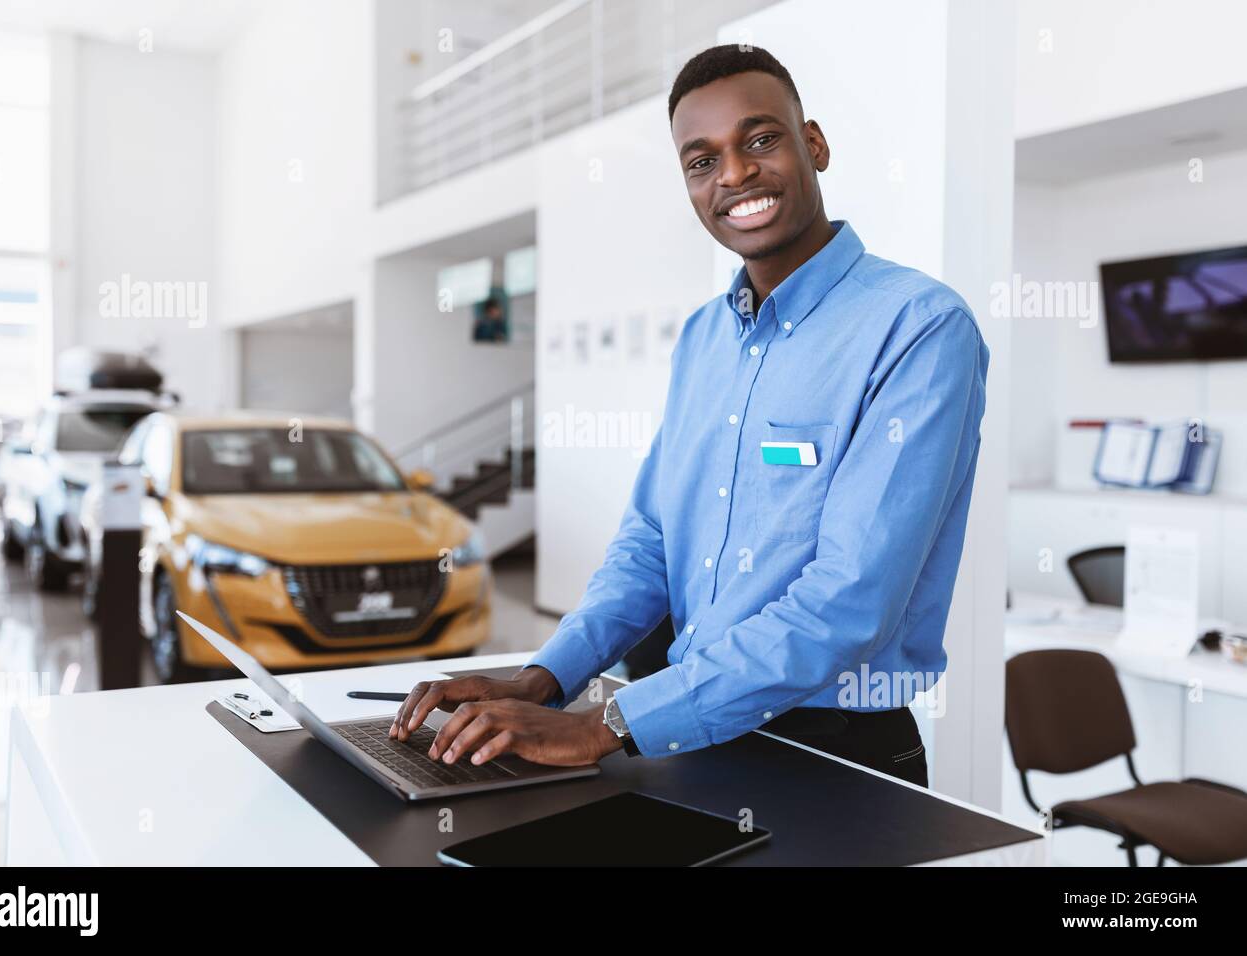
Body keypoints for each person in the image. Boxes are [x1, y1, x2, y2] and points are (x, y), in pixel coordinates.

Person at [391, 45, 988, 786]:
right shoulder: (706, 336)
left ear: (815, 144)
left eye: (761, 140)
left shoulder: (919, 327)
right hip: (687, 728)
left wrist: (608, 724)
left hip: (831, 751)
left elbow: (849, 601)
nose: (734, 174)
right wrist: (547, 676)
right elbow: (652, 538)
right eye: (701, 161)